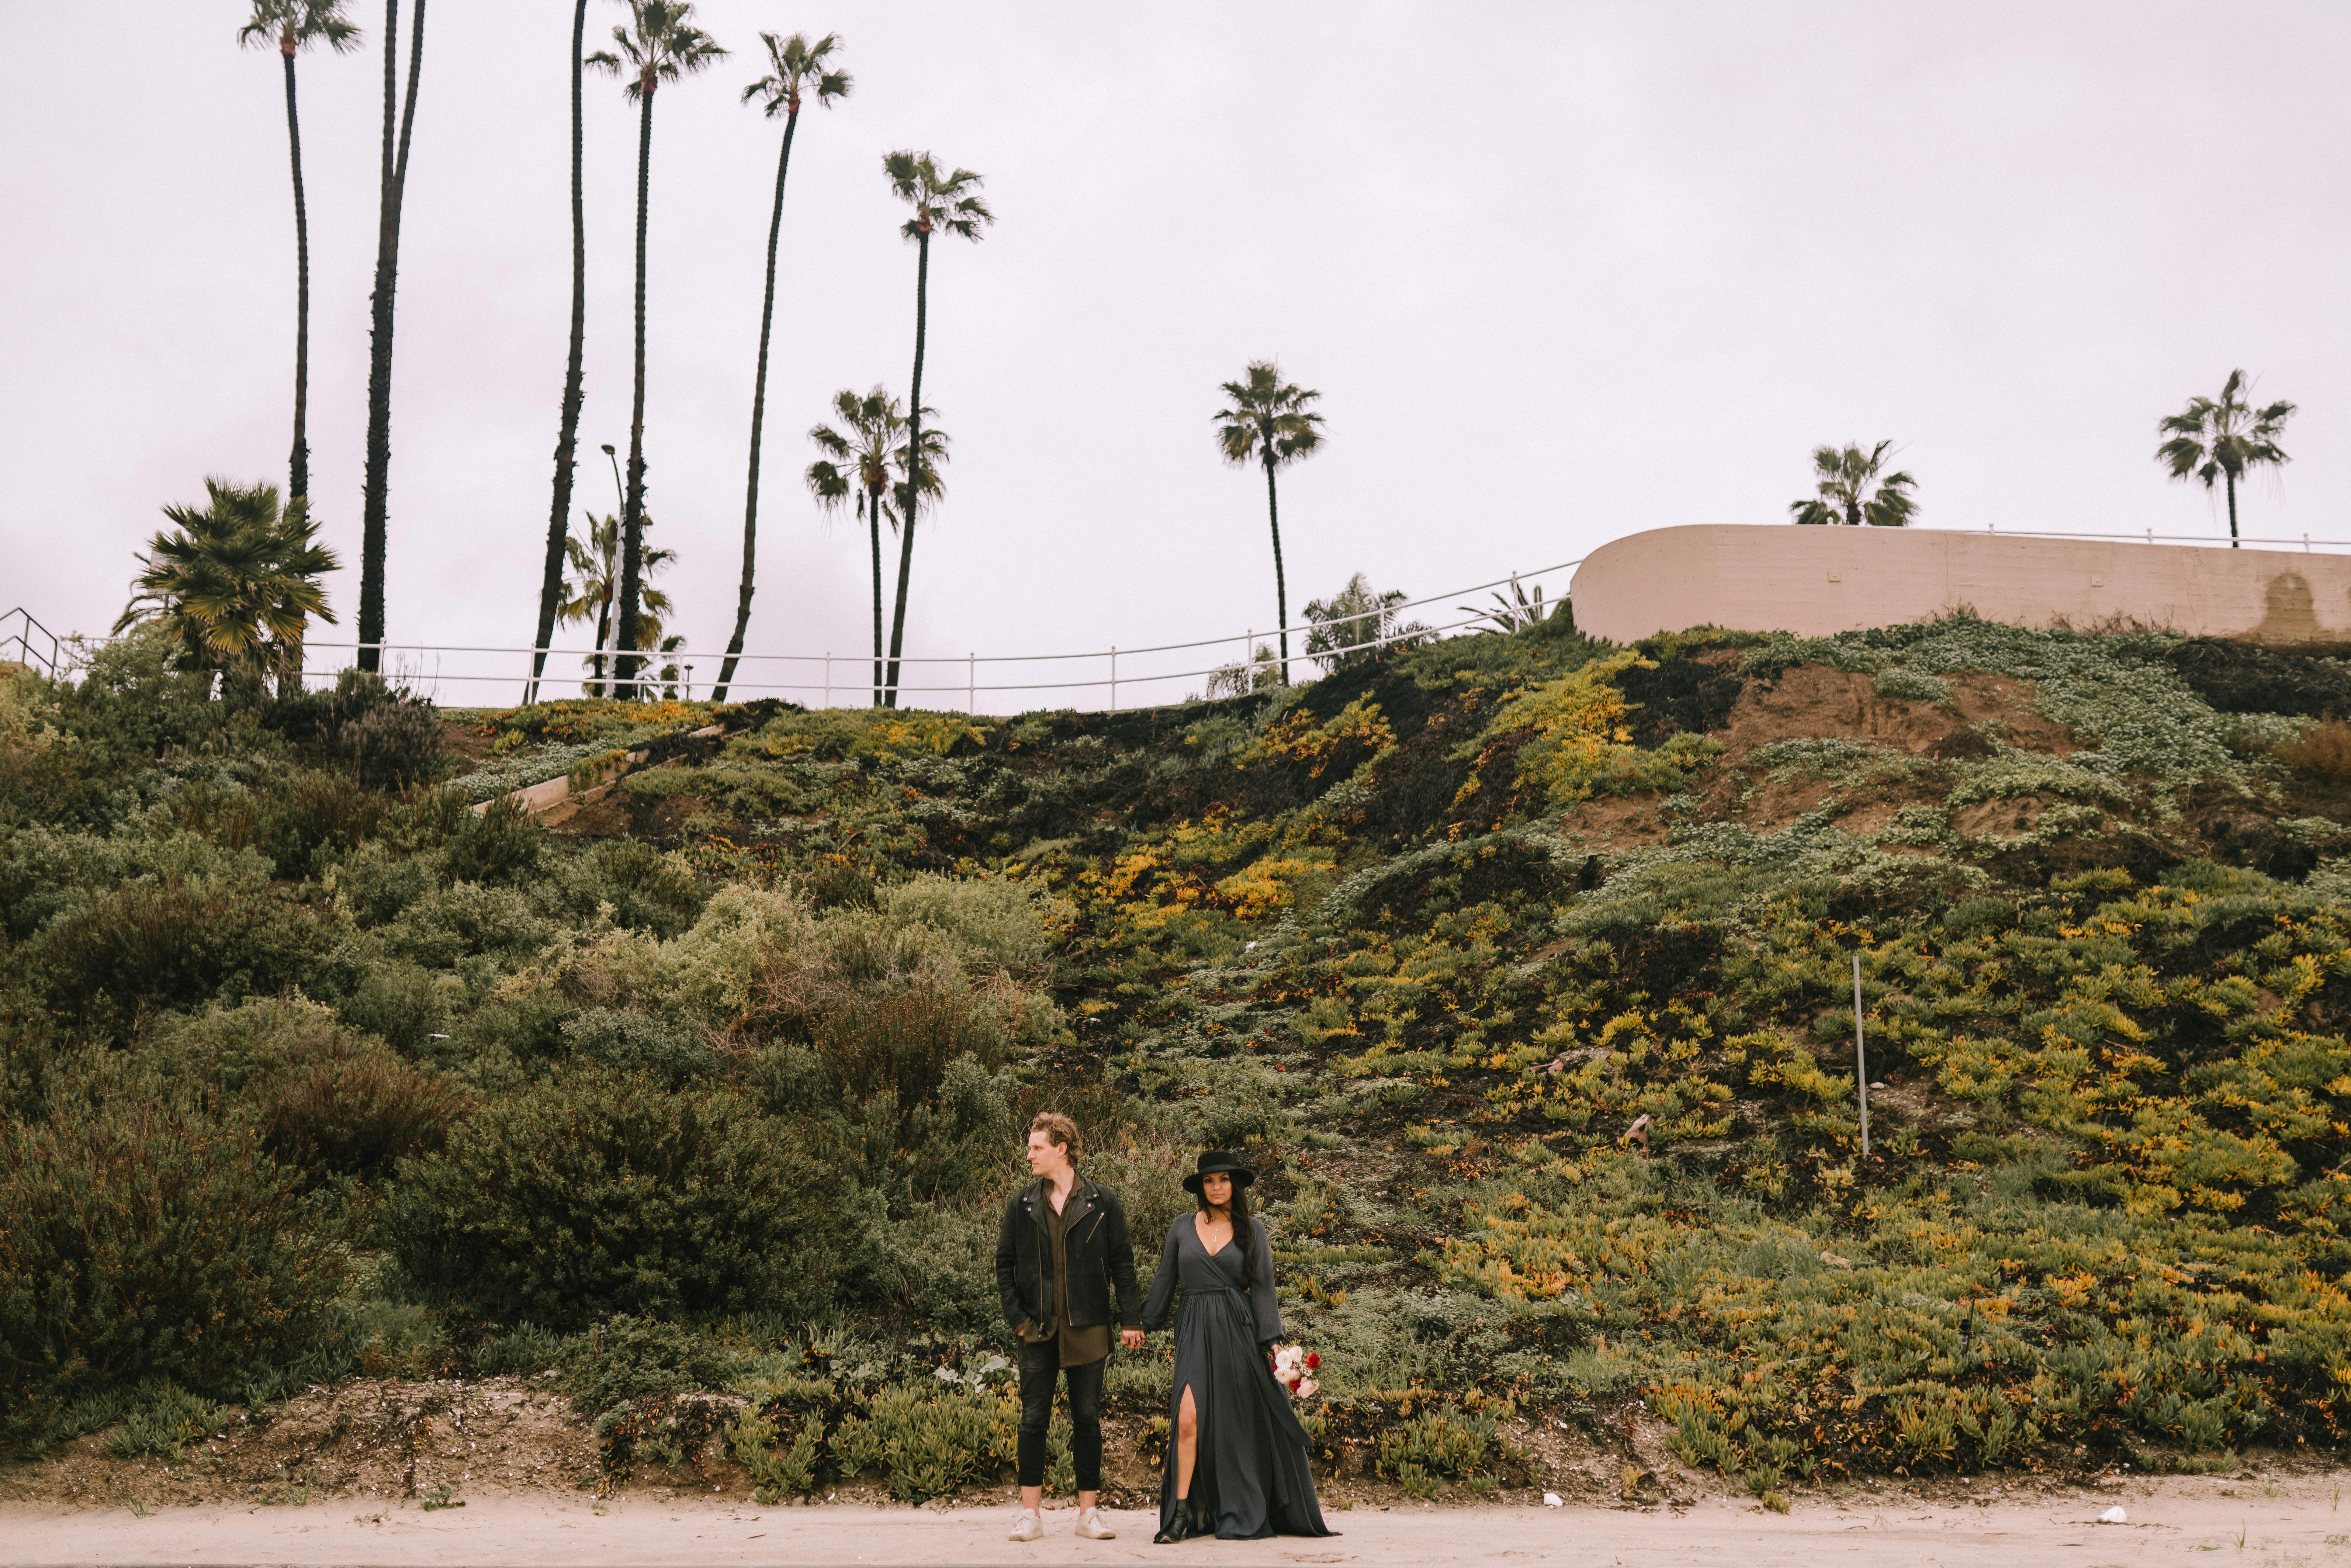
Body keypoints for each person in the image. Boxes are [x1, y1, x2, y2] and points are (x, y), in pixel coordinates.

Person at [1140, 1151, 1333, 1543]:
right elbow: (1163, 1283)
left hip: (1238, 1330)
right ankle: (1180, 1516)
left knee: (1234, 1425)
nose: (1216, 1187)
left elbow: (1263, 1289)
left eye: (1224, 1179)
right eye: (1209, 1180)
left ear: (1235, 1184)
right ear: (1200, 1186)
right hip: (1194, 1328)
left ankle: (1238, 1505)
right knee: (1188, 1418)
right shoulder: (1181, 1227)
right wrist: (1138, 1323)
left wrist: (1274, 1346)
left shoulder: (1252, 1229)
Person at [994, 1111, 1143, 1543]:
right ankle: (1030, 1515)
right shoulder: (1022, 1204)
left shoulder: (1103, 1200)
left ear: (1062, 1148)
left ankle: (1088, 1513)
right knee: (1033, 1420)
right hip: (1037, 1329)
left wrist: (1131, 1317)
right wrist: (1017, 1319)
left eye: (1037, 1147)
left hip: (1089, 1326)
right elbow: (1005, 1263)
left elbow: (1123, 1262)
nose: (1029, 1155)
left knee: (1088, 1420)